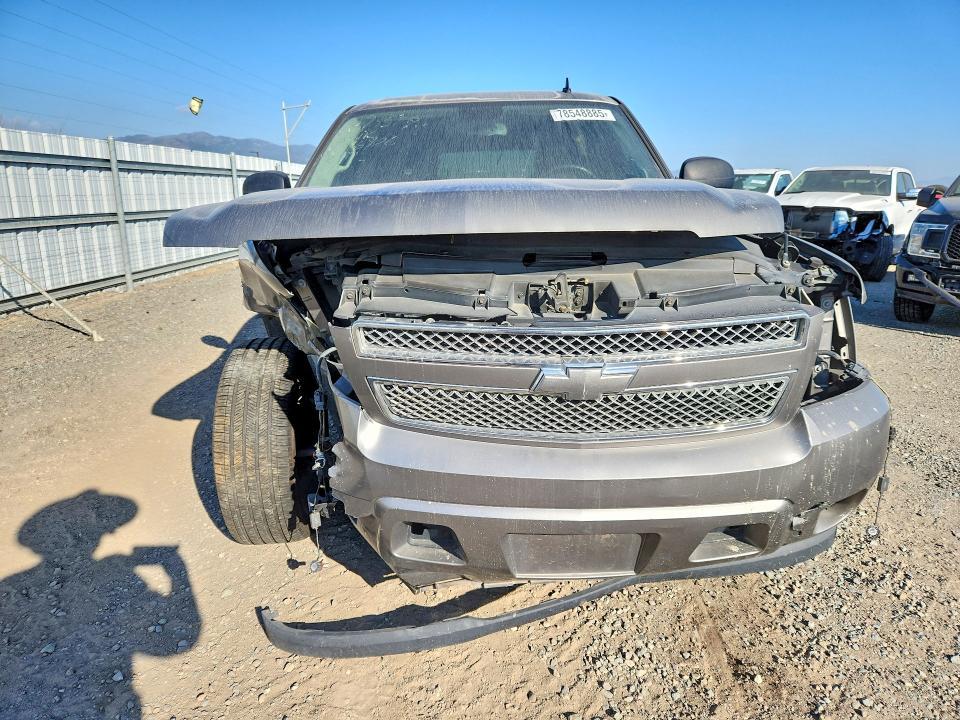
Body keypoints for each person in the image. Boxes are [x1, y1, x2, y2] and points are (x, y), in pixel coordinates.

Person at [0, 490, 199, 720]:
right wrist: (177, 570)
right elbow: (178, 641)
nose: (111, 531)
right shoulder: (118, 572)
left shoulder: (11, 586)